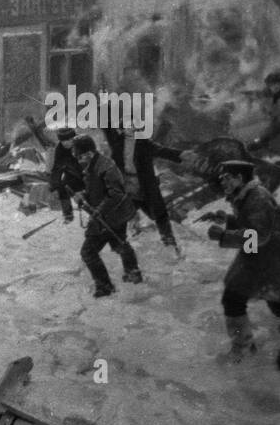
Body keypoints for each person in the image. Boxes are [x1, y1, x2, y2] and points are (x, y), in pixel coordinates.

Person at [204, 160, 280, 360]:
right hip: (265, 260)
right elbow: (250, 224)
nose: (223, 182)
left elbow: (257, 236)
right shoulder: (248, 195)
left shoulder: (257, 198)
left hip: (271, 262)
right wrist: (227, 220)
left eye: (227, 178)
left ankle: (243, 348)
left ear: (240, 178)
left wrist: (223, 236)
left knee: (235, 299)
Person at [102, 126, 196, 249]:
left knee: (161, 217)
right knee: (122, 219)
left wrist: (182, 154)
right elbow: (107, 127)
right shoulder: (116, 141)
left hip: (146, 187)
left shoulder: (144, 143)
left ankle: (171, 247)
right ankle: (125, 247)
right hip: (127, 188)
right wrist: (101, 108)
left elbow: (162, 151)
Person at [71, 135, 142, 298]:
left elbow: (116, 194)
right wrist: (82, 195)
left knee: (88, 252)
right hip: (109, 215)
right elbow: (96, 191)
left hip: (112, 215)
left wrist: (98, 212)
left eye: (79, 156)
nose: (78, 160)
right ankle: (133, 274)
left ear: (88, 153)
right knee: (119, 244)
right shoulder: (94, 165)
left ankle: (105, 287)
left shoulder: (106, 167)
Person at [48, 127, 84, 223]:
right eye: (63, 141)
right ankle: (68, 214)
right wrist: (53, 185)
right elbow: (56, 168)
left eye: (69, 140)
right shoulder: (60, 150)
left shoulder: (82, 144)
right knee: (62, 188)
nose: (66, 143)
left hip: (86, 174)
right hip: (72, 175)